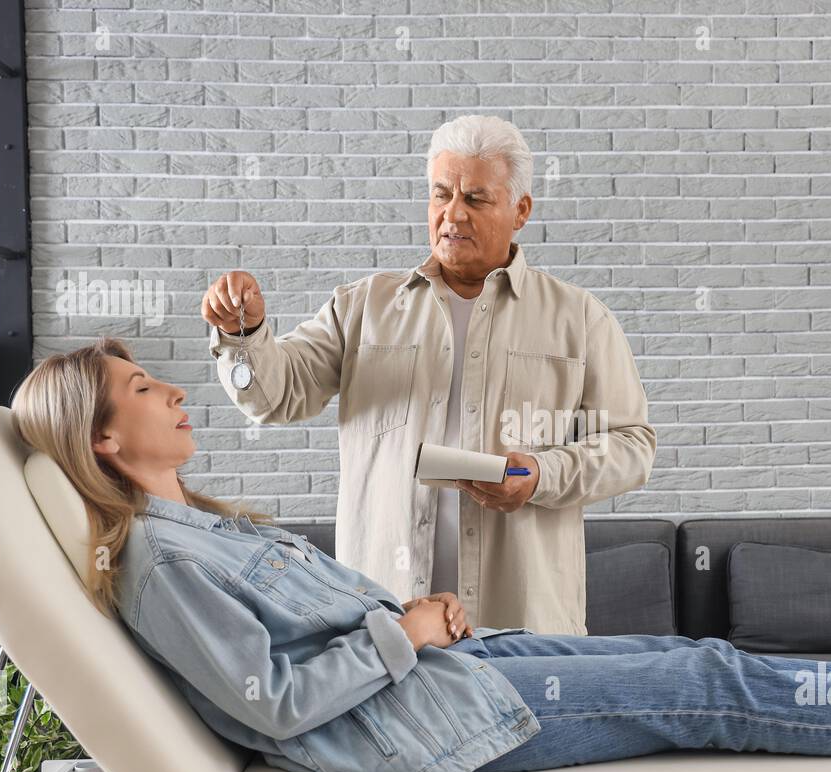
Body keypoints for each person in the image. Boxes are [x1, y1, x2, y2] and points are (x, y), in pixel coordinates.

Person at [8, 338, 831, 772]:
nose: (169, 390)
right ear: (105, 440)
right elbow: (271, 700)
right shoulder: (157, 559)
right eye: (143, 388)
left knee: (696, 656)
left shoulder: (200, 524)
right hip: (429, 710)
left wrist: (415, 617)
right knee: (710, 685)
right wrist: (408, 630)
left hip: (452, 668)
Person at [199, 114, 656, 635]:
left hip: (523, 629)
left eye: (476, 199)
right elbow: (276, 397)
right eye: (440, 195)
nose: (452, 215)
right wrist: (245, 333)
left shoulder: (580, 318)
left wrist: (542, 476)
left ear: (521, 210)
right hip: (387, 627)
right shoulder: (363, 307)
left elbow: (632, 445)